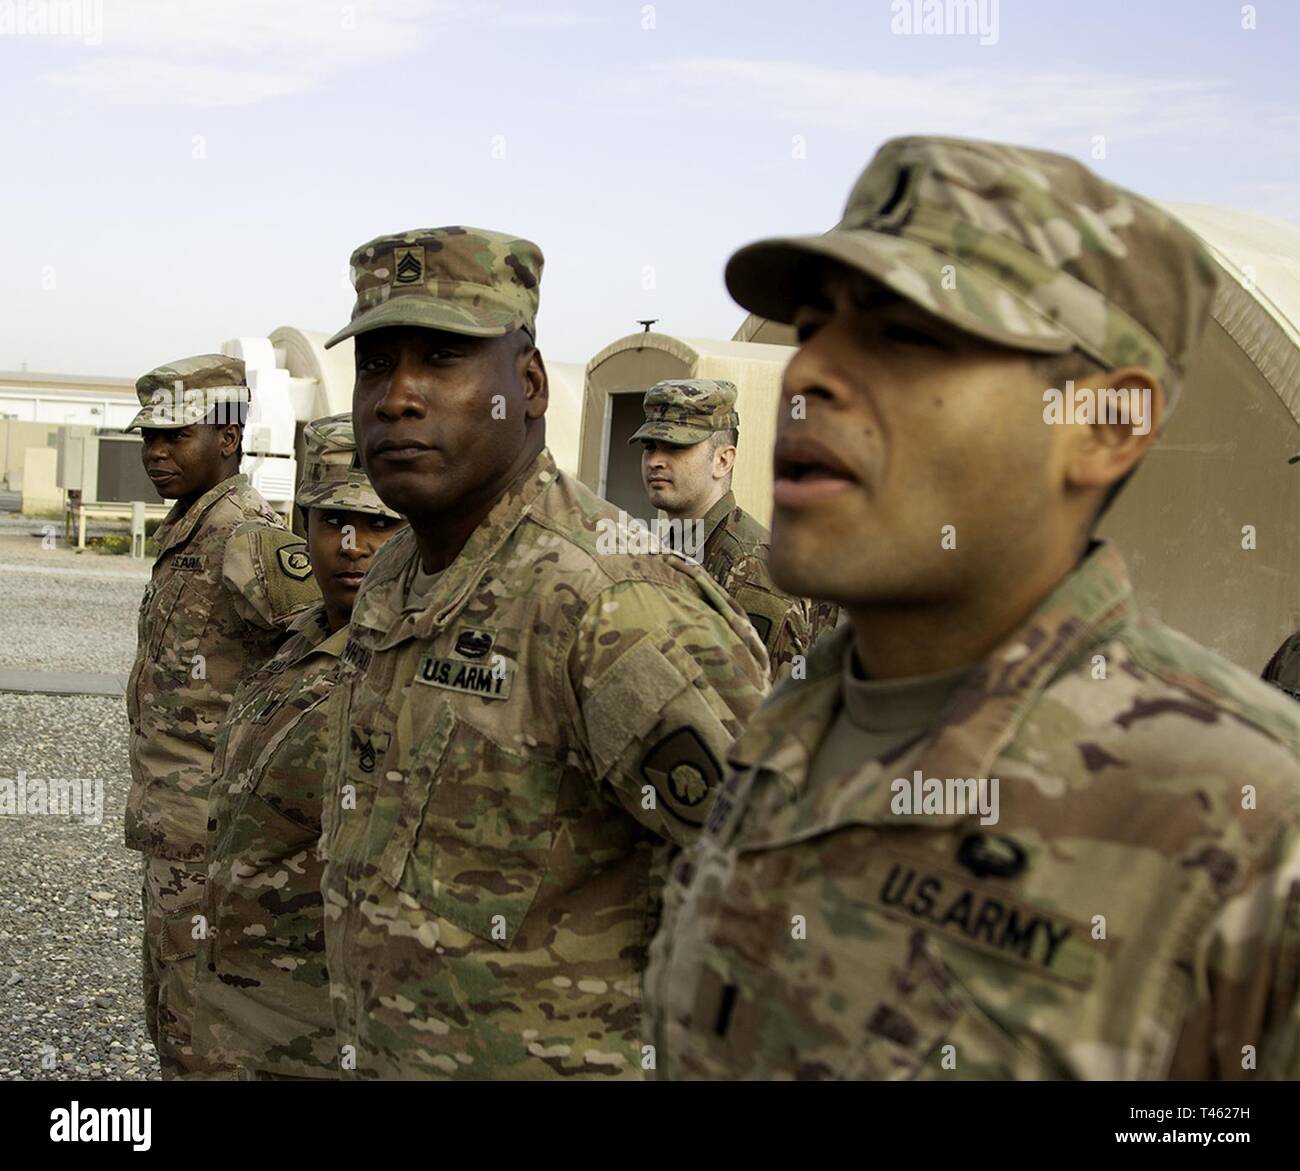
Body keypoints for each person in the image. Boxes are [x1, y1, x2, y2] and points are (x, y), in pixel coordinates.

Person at [643, 135, 1300, 1080]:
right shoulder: (792, 727)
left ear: (1105, 426)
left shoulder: (1247, 827)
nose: (810, 375)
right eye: (814, 325)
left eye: (904, 334)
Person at [319, 225, 769, 1079]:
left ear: (526, 385)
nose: (397, 397)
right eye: (377, 363)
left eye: (444, 358)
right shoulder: (394, 575)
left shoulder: (612, 601)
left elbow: (780, 905)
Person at [123, 354, 322, 1079]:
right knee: (175, 1023)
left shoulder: (247, 535)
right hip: (176, 835)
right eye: (149, 437)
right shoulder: (192, 528)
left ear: (230, 438)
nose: (156, 452)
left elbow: (328, 661)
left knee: (209, 1039)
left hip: (216, 844)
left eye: (175, 436)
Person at [193, 413, 404, 1079]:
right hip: (249, 1003)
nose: (350, 544)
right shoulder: (295, 639)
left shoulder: (409, 667)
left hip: (326, 1024)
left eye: (378, 524)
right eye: (331, 521)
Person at [631, 378, 830, 677]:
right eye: (650, 446)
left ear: (723, 461)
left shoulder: (751, 570)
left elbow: (770, 705)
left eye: (675, 447)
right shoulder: (675, 547)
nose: (655, 461)